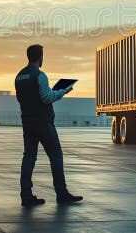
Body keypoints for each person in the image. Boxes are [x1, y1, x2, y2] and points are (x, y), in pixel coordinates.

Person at [15, 44, 83, 207]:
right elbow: (46, 97)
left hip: (27, 121)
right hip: (43, 122)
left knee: (29, 157)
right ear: (40, 57)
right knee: (56, 156)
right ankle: (61, 193)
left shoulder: (19, 76)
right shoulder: (40, 75)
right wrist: (63, 91)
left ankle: (26, 196)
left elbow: (21, 99)